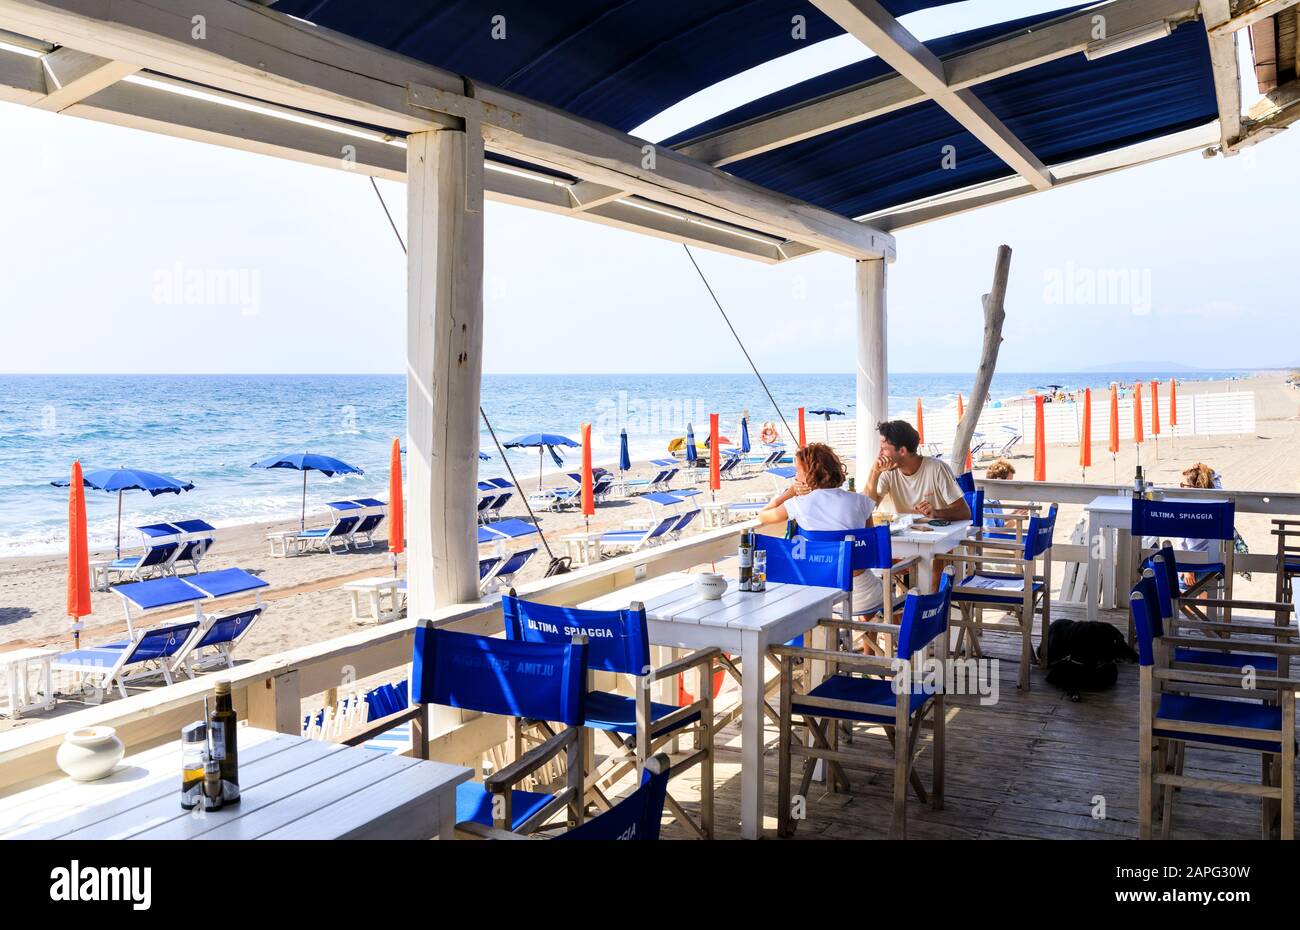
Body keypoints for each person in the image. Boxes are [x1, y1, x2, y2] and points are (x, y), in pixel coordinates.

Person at [758, 442, 883, 613]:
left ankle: (859, 638)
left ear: (809, 475)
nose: (795, 476)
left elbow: (764, 514)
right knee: (882, 589)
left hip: (818, 595)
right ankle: (867, 638)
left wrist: (790, 492)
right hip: (864, 596)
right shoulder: (862, 502)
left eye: (797, 471)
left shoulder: (799, 505)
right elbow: (869, 545)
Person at [864, 420, 971, 521]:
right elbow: (865, 510)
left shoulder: (936, 468)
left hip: (938, 536)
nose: (880, 454)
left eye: (884, 449)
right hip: (904, 537)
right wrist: (875, 472)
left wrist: (936, 513)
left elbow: (965, 512)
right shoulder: (887, 472)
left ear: (902, 451)